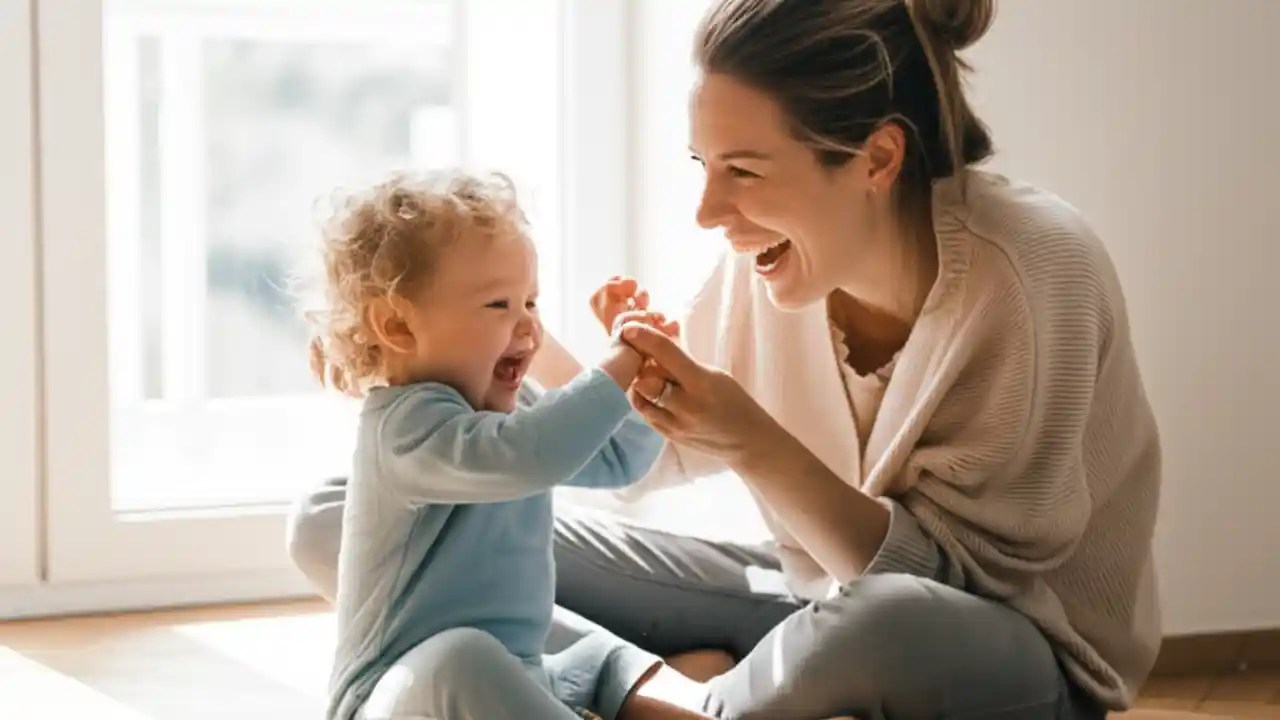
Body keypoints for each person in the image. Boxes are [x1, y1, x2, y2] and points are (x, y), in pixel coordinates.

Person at [289, 1, 1162, 717]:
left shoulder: (1032, 271)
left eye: (741, 171)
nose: (709, 210)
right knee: (346, 515)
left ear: (878, 157)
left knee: (879, 623)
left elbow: (954, 590)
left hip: (992, 644)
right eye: (702, 166)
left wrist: (753, 444)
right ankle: (646, 684)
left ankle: (696, 705)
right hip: (805, 597)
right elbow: (635, 458)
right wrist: (525, 339)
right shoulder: (766, 267)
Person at [305, 171, 702, 720]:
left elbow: (618, 461)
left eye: (532, 303)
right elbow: (529, 454)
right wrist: (615, 368)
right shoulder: (405, 431)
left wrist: (643, 385)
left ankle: (712, 710)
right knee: (461, 658)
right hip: (397, 700)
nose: (529, 329)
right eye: (499, 306)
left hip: (519, 675)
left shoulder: (512, 410)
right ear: (397, 325)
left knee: (599, 657)